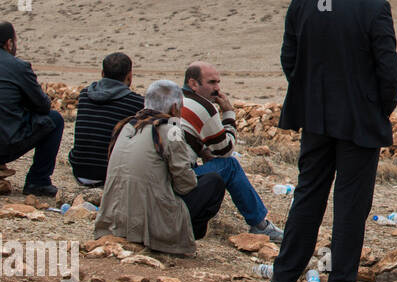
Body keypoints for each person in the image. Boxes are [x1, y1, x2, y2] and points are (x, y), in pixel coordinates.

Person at [271, 0, 397, 282]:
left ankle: (284, 275)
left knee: (308, 192)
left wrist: (309, 93)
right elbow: (389, 70)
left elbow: (289, 55)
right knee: (351, 204)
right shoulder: (374, 6)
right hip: (359, 122)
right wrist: (379, 108)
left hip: (315, 116)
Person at [94, 80, 226, 255]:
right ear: (173, 108)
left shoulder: (126, 125)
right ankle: (177, 239)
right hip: (146, 221)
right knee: (213, 181)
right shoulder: (170, 130)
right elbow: (184, 185)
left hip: (113, 219)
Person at [181, 61, 283, 242]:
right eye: (211, 82)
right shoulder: (204, 107)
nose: (217, 88)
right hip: (178, 180)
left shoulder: (176, 99)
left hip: (160, 178)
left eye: (218, 82)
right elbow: (225, 151)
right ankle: (260, 225)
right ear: (193, 83)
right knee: (231, 166)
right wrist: (228, 112)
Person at [0, 21, 64, 197]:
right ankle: (38, 182)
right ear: (9, 43)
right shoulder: (18, 67)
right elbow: (43, 106)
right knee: (55, 119)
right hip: (0, 148)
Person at [68, 52, 145, 187]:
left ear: (102, 73)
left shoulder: (85, 95)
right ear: (129, 76)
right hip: (108, 174)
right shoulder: (136, 102)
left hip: (79, 170)